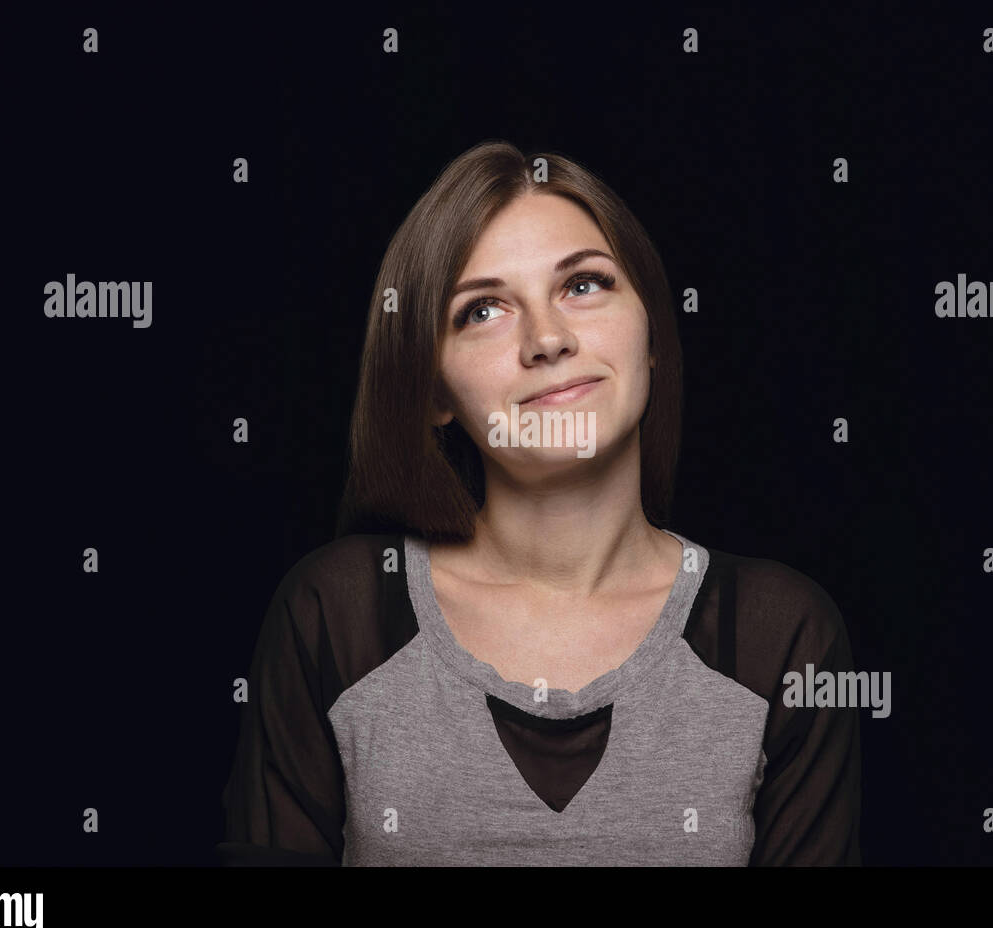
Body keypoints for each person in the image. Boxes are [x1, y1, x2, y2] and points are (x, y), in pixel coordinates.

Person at [218, 140, 862, 865]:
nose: (548, 339)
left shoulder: (780, 636)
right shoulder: (335, 616)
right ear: (430, 389)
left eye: (584, 284)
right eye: (483, 310)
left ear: (650, 331)